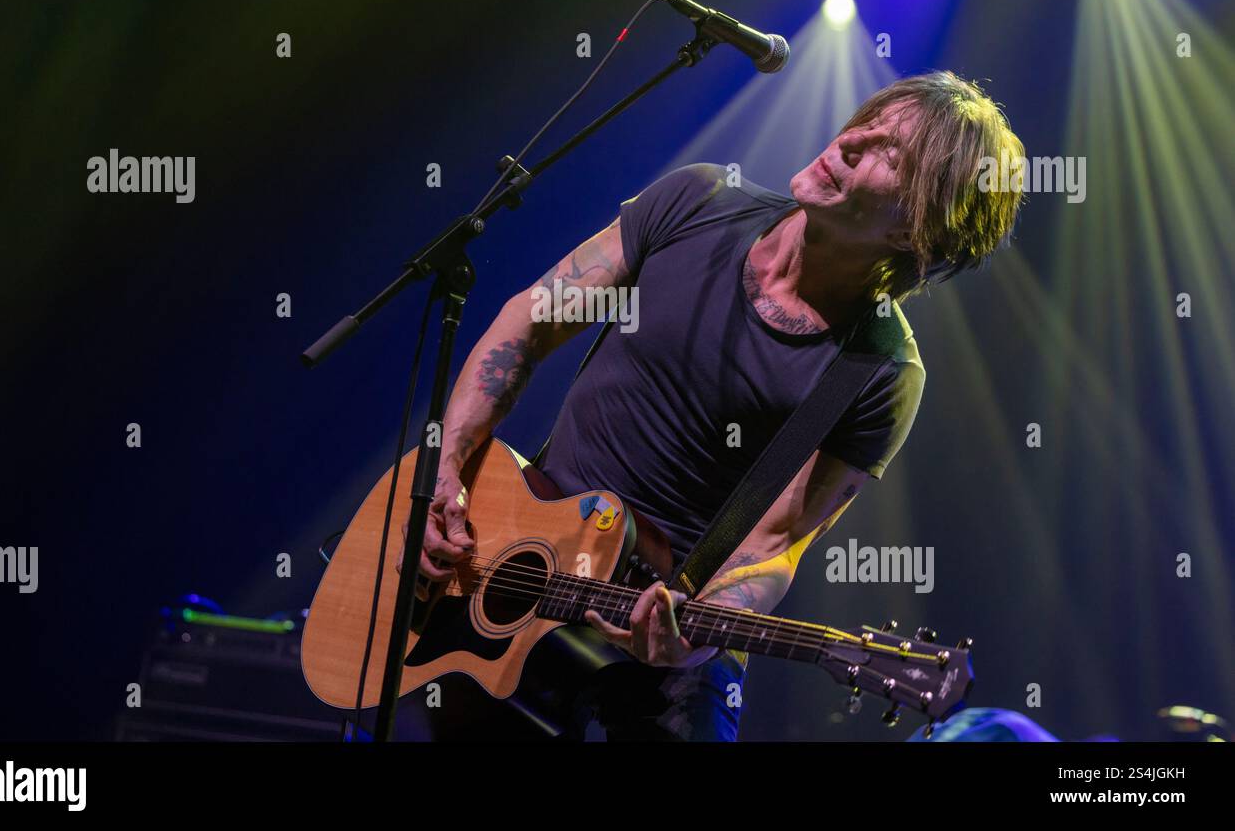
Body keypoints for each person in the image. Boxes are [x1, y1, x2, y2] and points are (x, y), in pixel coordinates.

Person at [405, 70, 1026, 740]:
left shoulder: (879, 371)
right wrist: (445, 472)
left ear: (918, 229)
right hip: (496, 551)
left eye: (890, 153)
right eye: (868, 122)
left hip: (661, 629)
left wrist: (693, 635)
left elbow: (775, 546)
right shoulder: (697, 200)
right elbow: (528, 325)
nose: (853, 139)